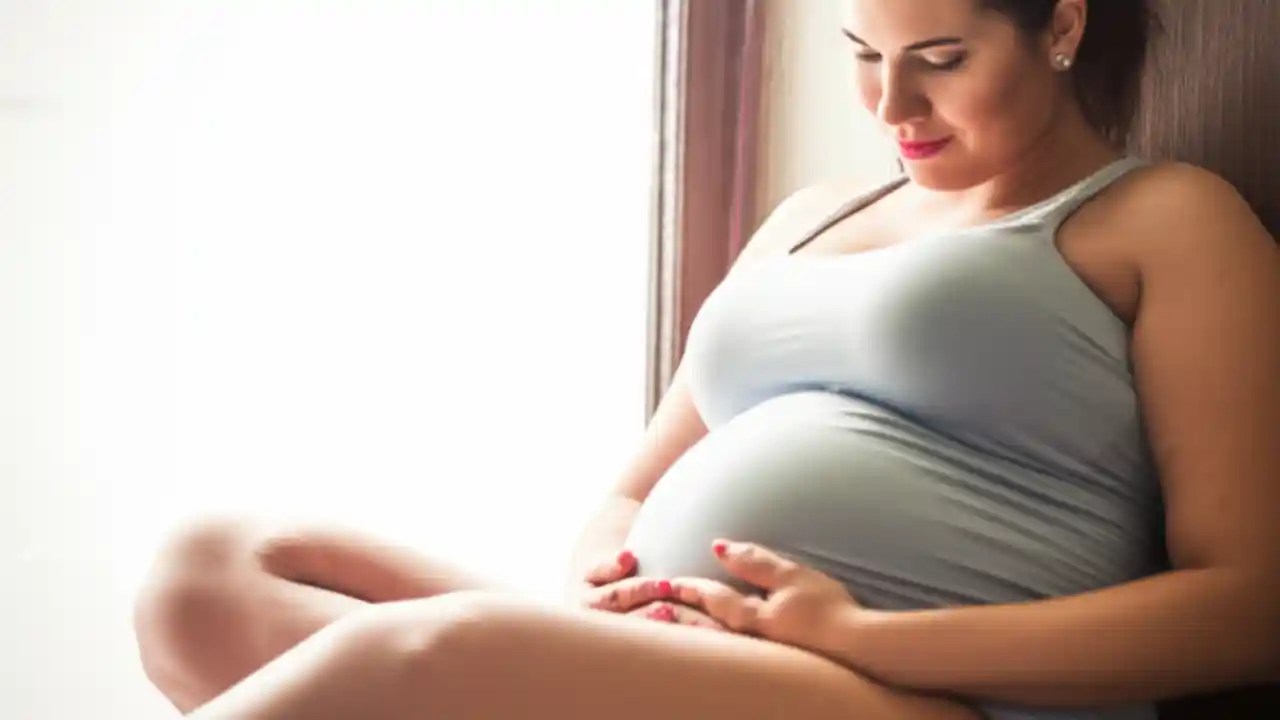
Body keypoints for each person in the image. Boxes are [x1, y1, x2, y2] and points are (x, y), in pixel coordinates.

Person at [132, 1, 1280, 718]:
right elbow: (639, 480)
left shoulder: (1162, 218)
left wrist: (863, 635)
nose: (892, 103)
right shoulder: (808, 217)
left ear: (1061, 25)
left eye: (937, 57)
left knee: (436, 655)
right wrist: (604, 579)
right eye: (861, 53)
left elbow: (1245, 606)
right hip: (695, 655)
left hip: (916, 690)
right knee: (213, 576)